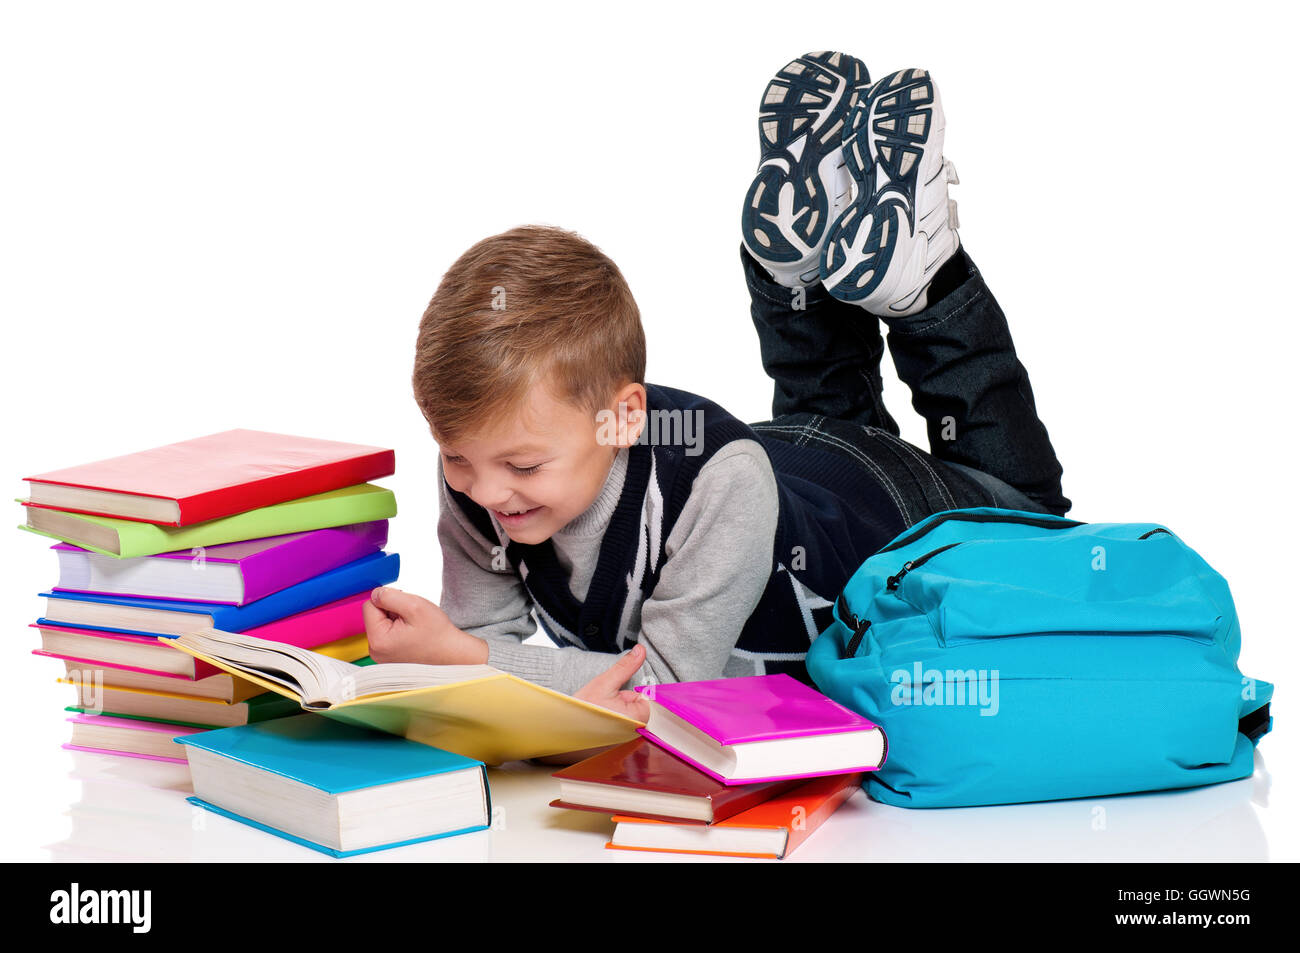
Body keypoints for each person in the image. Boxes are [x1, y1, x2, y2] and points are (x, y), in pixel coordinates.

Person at [362, 51, 1070, 722]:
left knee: (1036, 522)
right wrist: (462, 661)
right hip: (793, 470)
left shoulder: (716, 485)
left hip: (888, 506)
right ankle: (796, 274)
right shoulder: (490, 451)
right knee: (821, 410)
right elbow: (488, 646)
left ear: (623, 417)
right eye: (455, 457)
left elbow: (667, 690)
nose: (483, 492)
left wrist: (466, 660)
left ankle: (927, 277)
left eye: (520, 467)